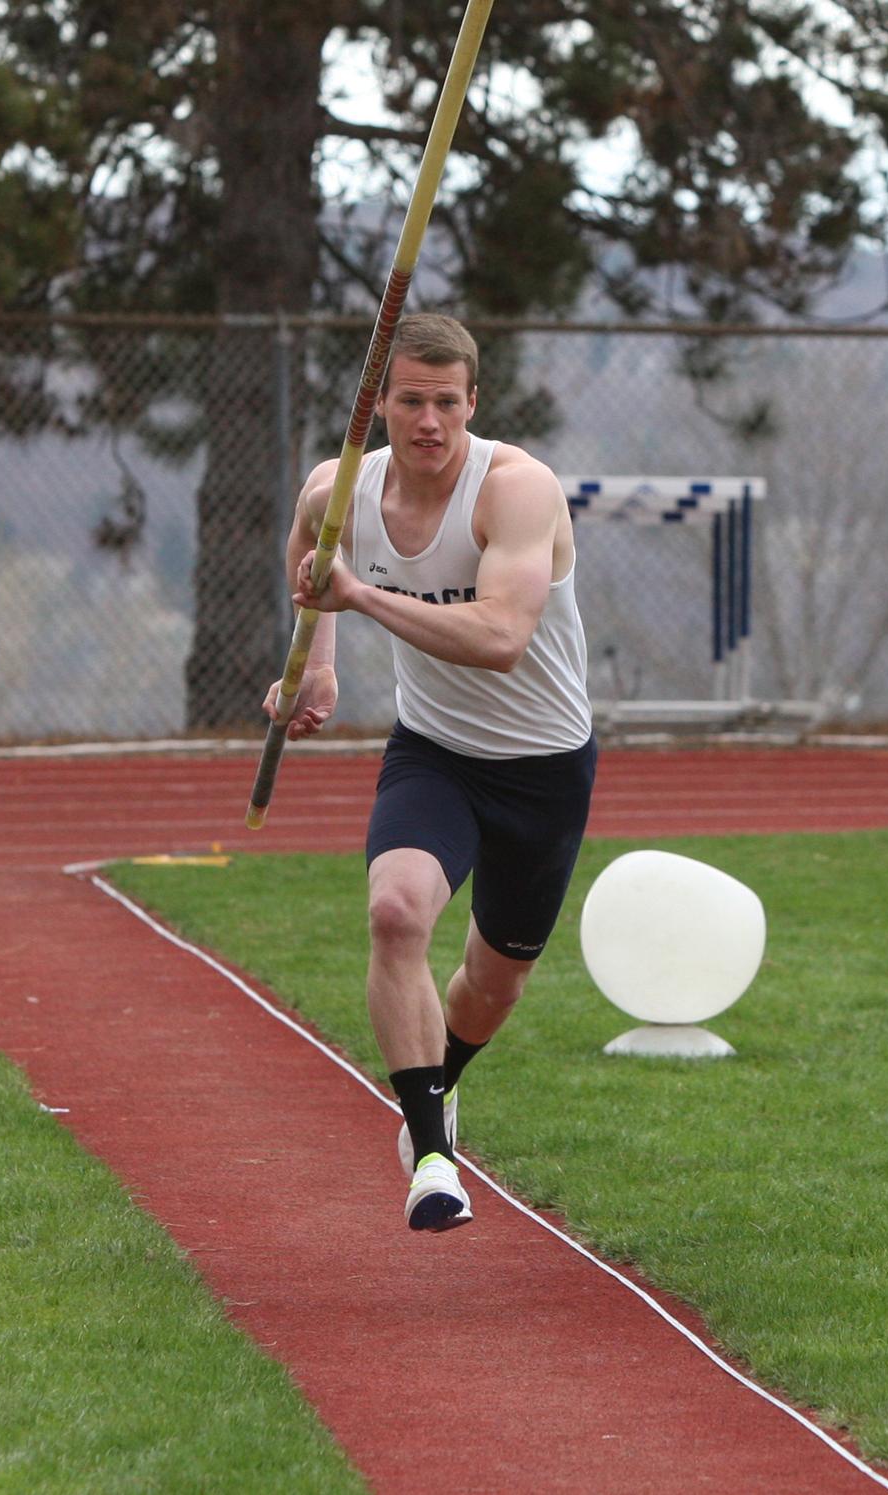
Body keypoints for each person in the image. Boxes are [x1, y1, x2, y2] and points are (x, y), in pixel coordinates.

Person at [262, 313, 597, 1233]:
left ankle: (441, 1078)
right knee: (395, 910)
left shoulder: (517, 491)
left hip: (543, 768)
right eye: (410, 400)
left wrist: (362, 598)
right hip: (435, 753)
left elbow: (499, 638)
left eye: (447, 403)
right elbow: (308, 550)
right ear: (380, 403)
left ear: (472, 405)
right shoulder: (341, 489)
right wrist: (317, 657)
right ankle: (434, 1159)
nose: (429, 422)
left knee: (493, 987)